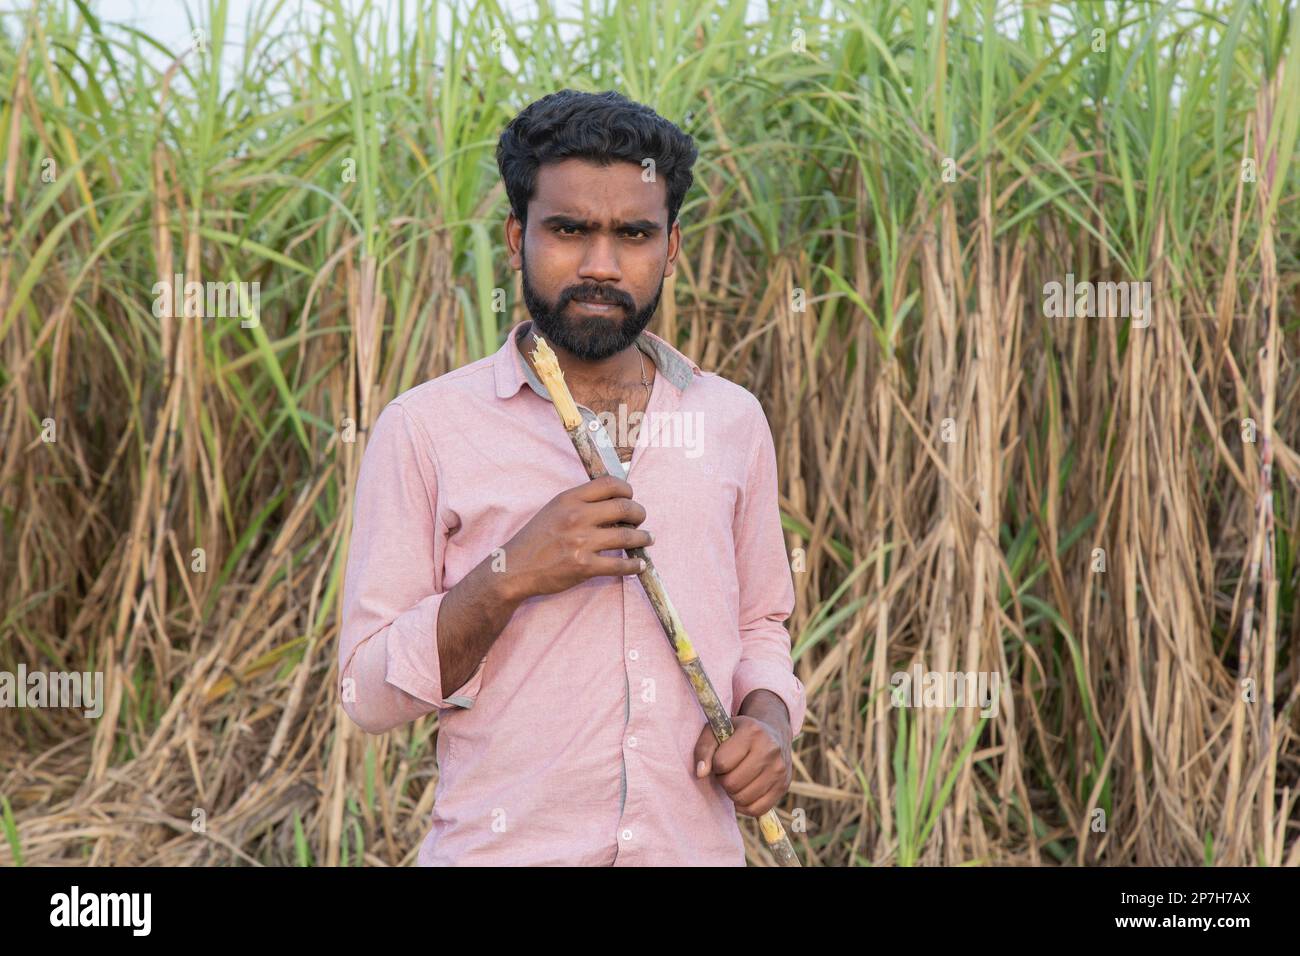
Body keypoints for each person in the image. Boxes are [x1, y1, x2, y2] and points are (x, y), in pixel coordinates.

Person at [338, 89, 804, 865]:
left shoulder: (730, 422)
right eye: (568, 230)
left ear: (672, 247)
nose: (599, 265)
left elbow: (761, 627)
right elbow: (366, 695)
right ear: (518, 238)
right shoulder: (425, 428)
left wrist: (769, 724)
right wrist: (508, 575)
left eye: (633, 234)